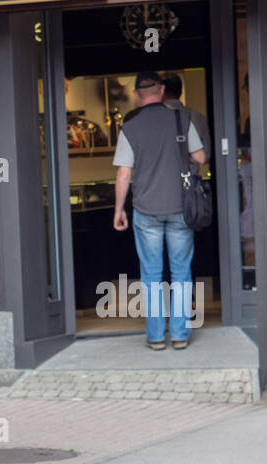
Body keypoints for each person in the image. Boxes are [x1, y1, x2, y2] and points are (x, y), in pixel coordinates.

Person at [112, 71, 207, 351]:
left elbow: (123, 174)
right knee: (180, 272)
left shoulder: (130, 128)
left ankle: (155, 337)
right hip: (180, 208)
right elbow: (201, 157)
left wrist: (119, 209)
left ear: (138, 95)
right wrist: (181, 154)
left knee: (151, 275)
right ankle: (179, 335)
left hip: (146, 209)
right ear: (162, 90)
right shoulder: (181, 120)